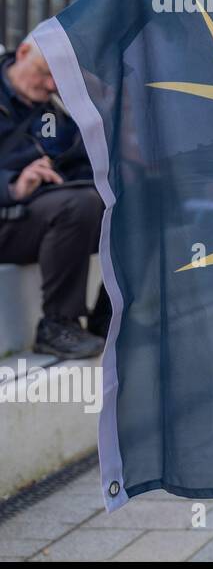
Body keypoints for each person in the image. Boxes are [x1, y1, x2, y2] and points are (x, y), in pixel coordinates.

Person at [0, 37, 104, 358]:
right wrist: (14, 185)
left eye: (57, 80)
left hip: (39, 218)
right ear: (22, 52)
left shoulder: (53, 114)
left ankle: (109, 320)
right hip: (8, 214)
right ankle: (57, 325)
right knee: (79, 205)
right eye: (44, 73)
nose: (49, 85)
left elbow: (85, 170)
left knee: (130, 209)